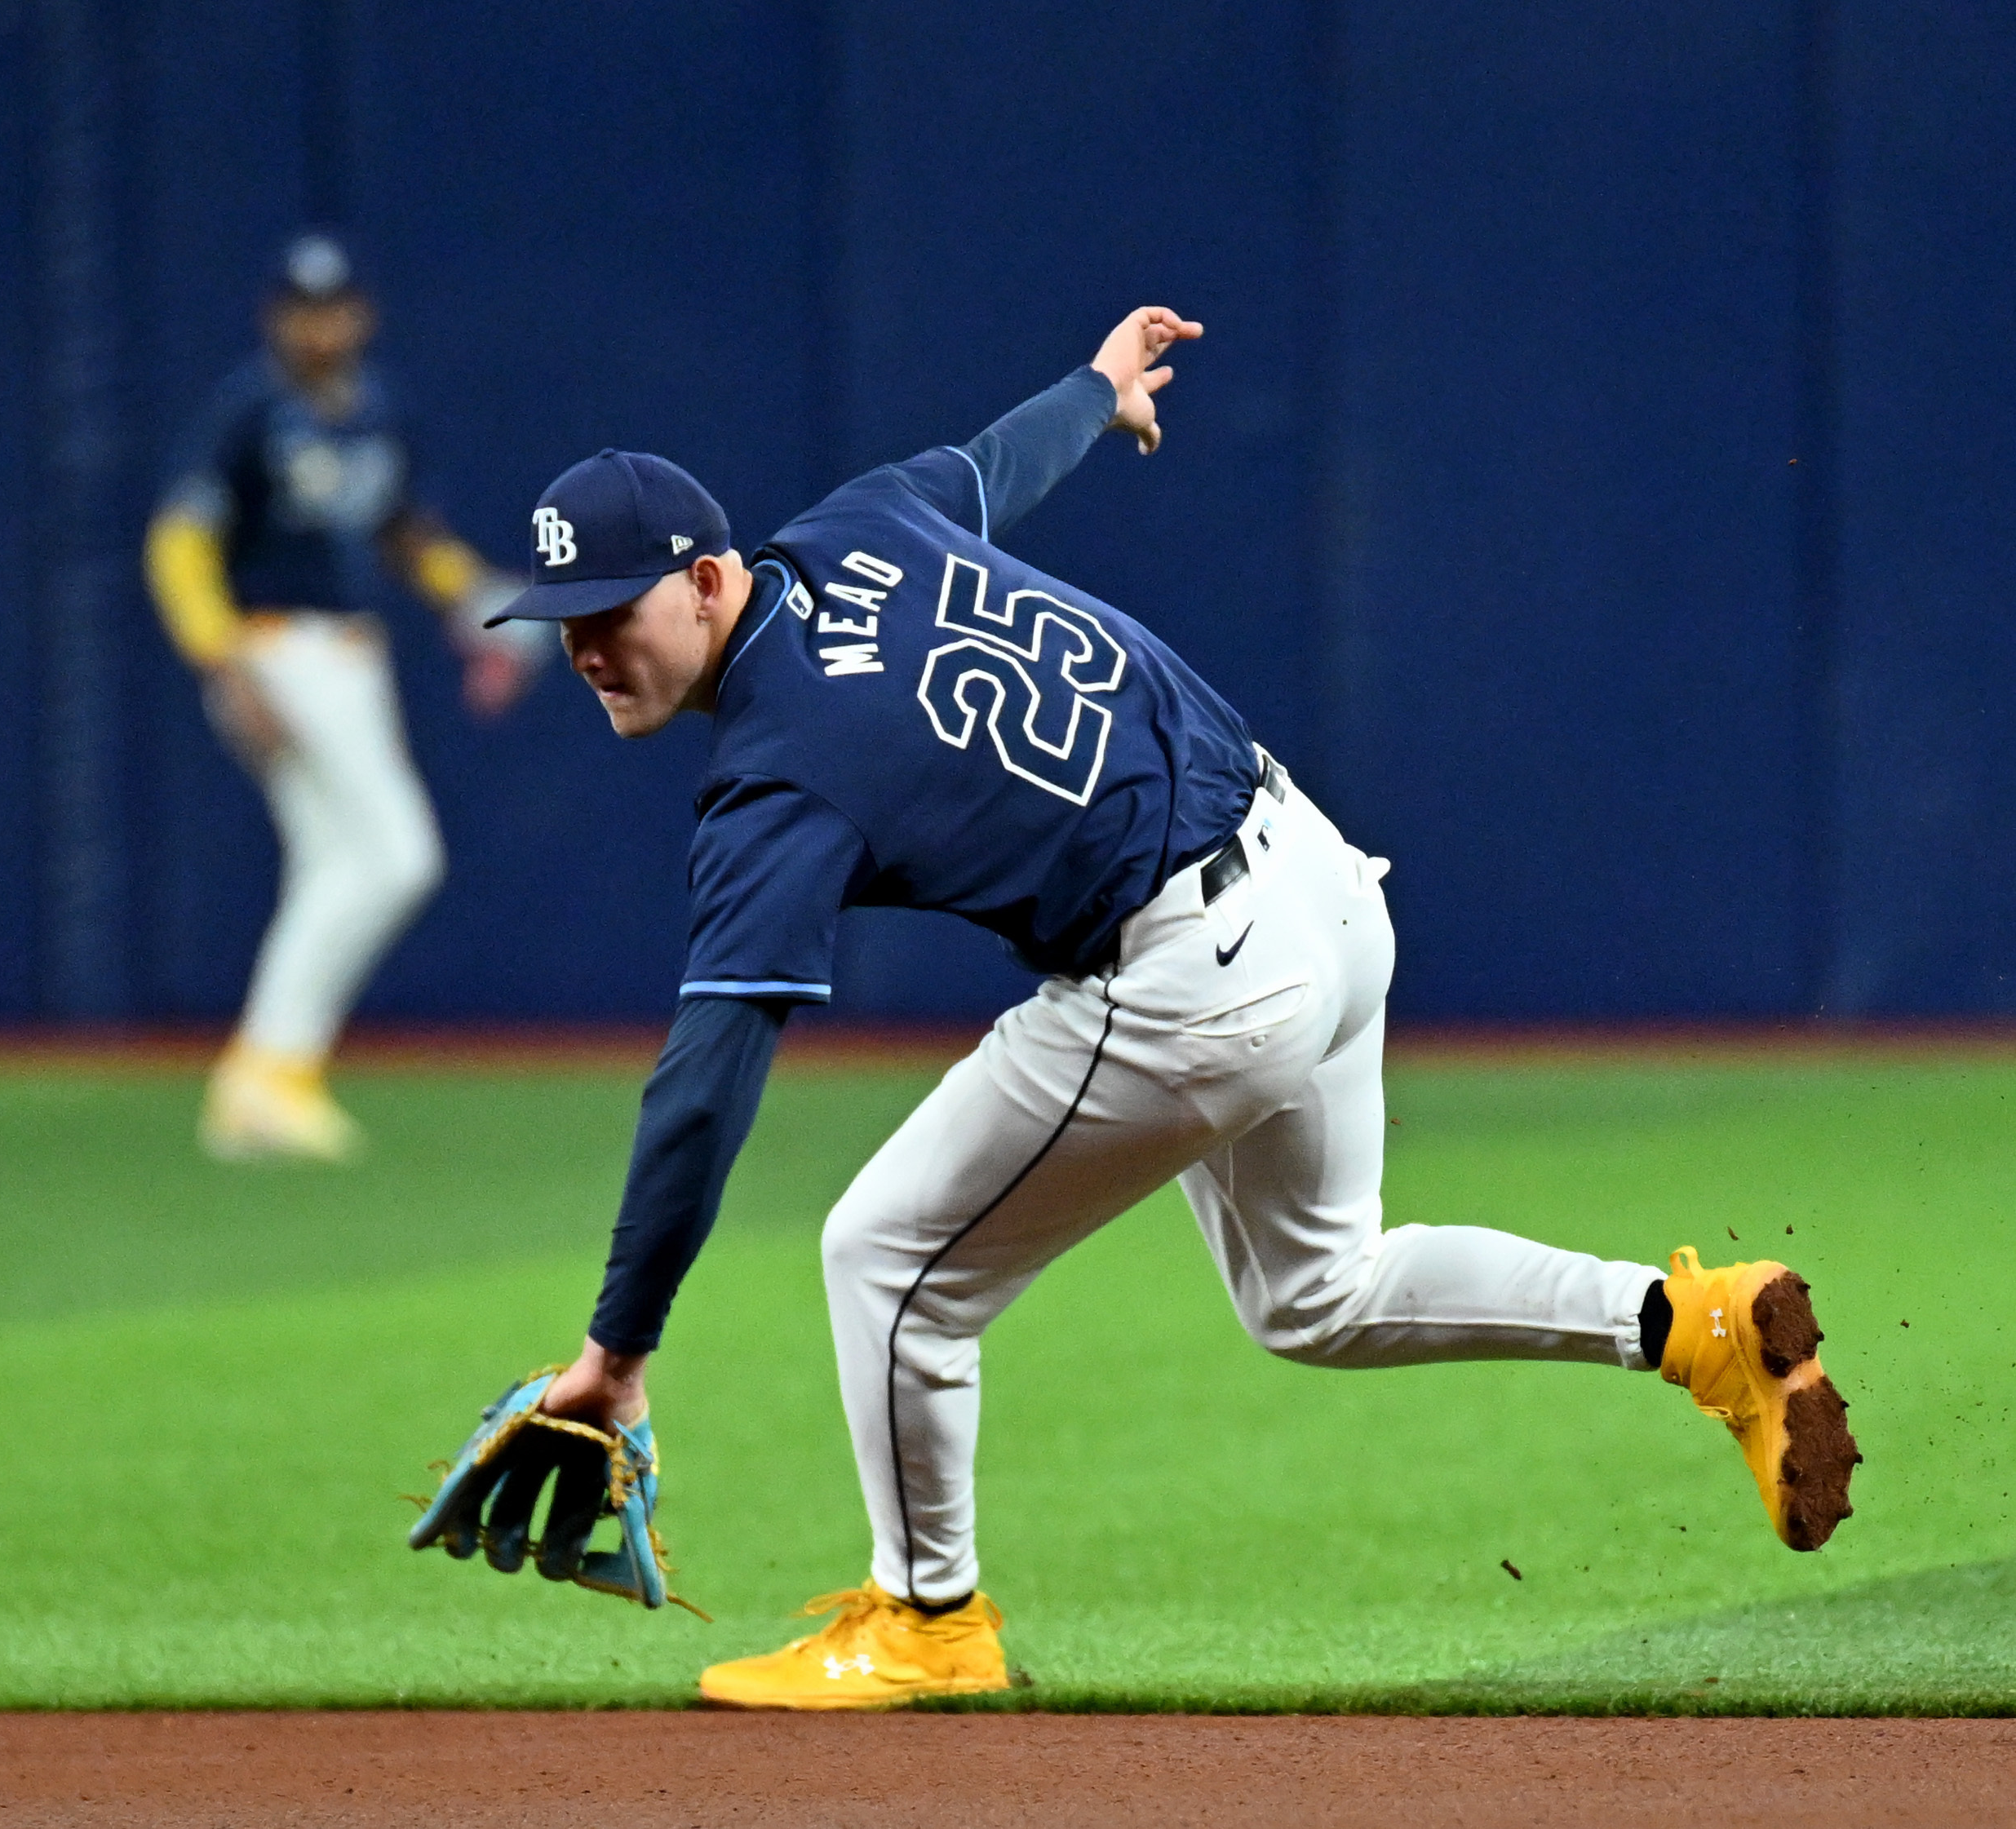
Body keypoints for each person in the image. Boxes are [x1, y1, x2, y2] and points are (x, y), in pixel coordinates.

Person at [477, 306, 1859, 1707]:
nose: (584, 646)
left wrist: (617, 1348)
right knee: (1315, 1294)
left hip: (1192, 975)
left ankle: (926, 1619)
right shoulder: (860, 524)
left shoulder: (778, 767)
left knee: (885, 1260)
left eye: (609, 611)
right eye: (561, 622)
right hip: (1317, 880)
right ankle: (1692, 1326)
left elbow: (707, 1077)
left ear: (706, 581)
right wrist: (1091, 392)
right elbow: (988, 466)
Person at [145, 233, 542, 1161]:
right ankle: (269, 1069)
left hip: (350, 659)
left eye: (332, 308)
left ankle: (266, 1080)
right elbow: (179, 541)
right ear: (275, 317)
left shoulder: (378, 413)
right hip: (278, 650)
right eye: (301, 309)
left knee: (332, 867)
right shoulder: (251, 412)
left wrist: (475, 596)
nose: (318, 326)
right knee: (401, 856)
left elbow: (407, 536)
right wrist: (222, 662)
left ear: (361, 314)